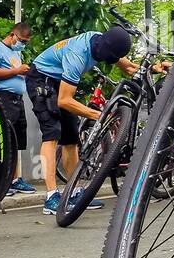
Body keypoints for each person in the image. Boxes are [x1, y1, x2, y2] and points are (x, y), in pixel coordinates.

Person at [27, 24, 136, 215]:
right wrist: (99, 115)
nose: (109, 61)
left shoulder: (101, 40)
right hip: (41, 78)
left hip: (60, 81)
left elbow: (128, 66)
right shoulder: (77, 55)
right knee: (52, 133)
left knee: (71, 137)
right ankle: (51, 197)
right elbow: (64, 100)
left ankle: (74, 192)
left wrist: (156, 68)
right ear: (103, 49)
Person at [0, 22, 37, 195]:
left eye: (26, 42)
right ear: (12, 35)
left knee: (15, 143)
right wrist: (17, 71)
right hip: (4, 97)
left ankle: (13, 179)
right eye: (21, 40)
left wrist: (24, 72)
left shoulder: (16, 52)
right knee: (1, 140)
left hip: (17, 99)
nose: (22, 44)